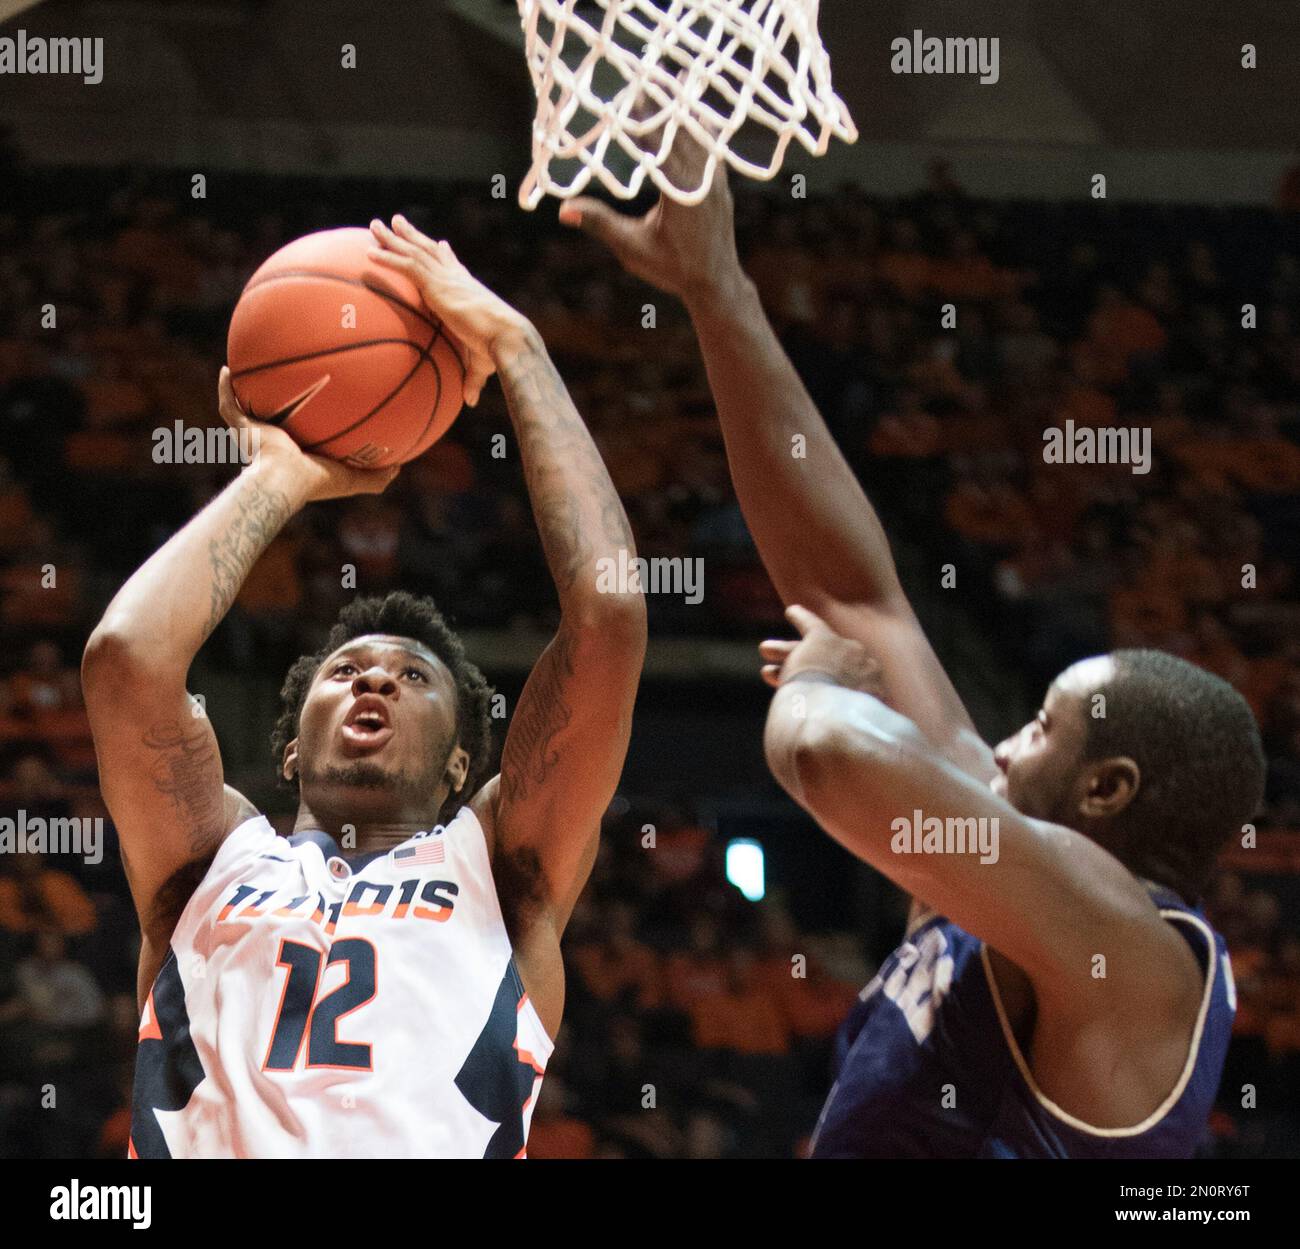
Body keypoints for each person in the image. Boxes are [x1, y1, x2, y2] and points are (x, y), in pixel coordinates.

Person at [567, 137, 1262, 1158]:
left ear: (1105, 788)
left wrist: (814, 688)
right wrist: (719, 295)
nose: (1005, 744)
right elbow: (851, 593)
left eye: (1039, 725)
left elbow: (826, 753)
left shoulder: (1135, 951)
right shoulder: (990, 855)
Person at [81, 217, 646, 1158]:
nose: (374, 674)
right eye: (343, 671)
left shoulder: (504, 872)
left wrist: (519, 348)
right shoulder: (205, 862)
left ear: (463, 761)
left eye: (411, 674)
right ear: (293, 746)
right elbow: (125, 659)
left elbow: (612, 616)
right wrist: (281, 477)